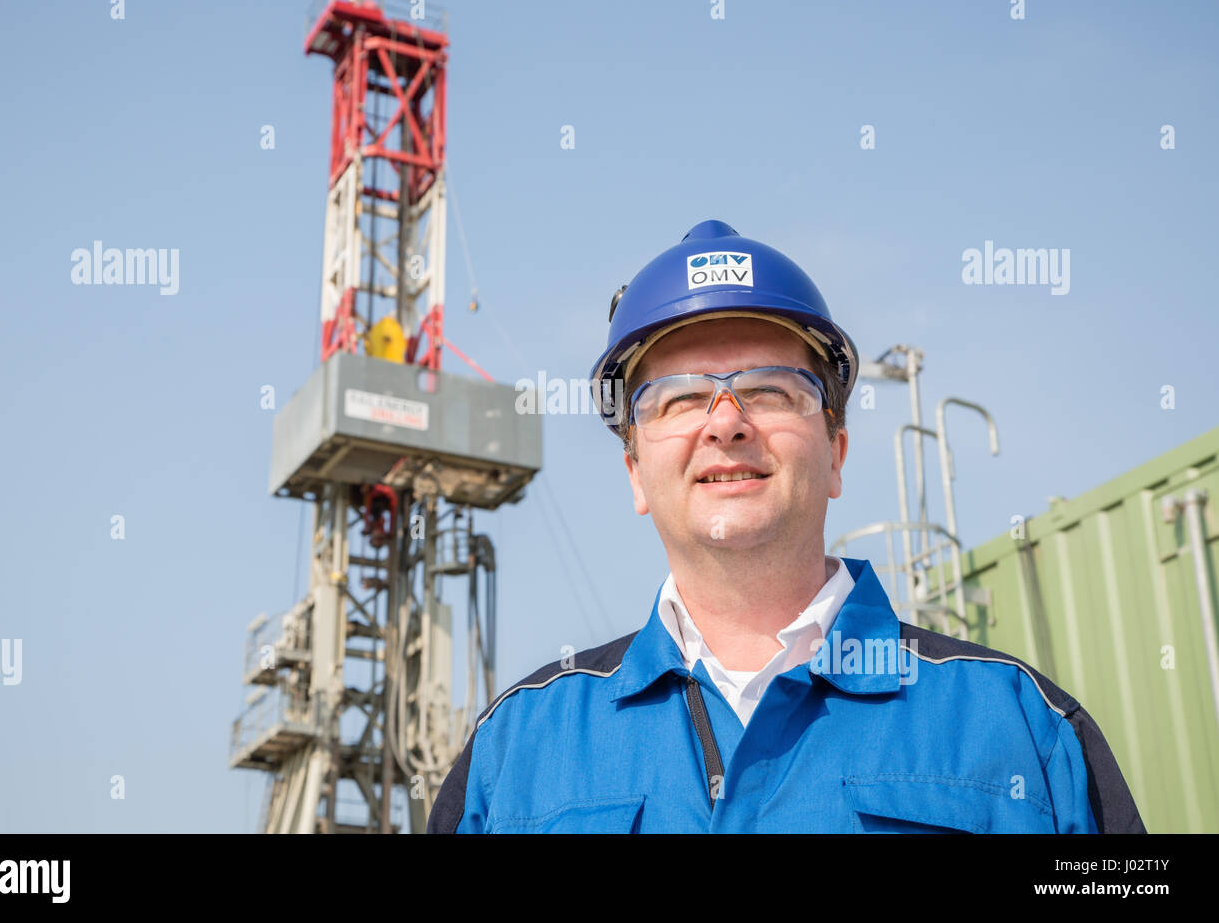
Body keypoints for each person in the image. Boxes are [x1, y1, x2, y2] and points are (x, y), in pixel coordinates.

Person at [426, 220, 1145, 833]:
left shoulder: (1021, 728)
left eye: (770, 390)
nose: (726, 424)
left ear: (834, 454)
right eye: (679, 399)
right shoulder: (516, 754)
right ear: (635, 474)